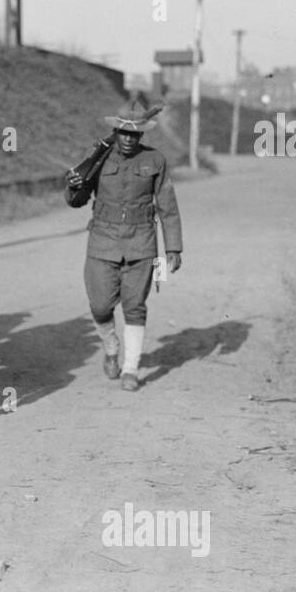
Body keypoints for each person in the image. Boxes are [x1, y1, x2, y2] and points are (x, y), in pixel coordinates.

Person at [64, 95, 183, 391]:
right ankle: (111, 344)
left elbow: (167, 205)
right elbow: (76, 201)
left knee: (135, 306)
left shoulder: (155, 160)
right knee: (100, 306)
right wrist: (73, 186)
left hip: (142, 243)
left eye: (135, 133)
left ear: (141, 134)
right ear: (116, 132)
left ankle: (131, 369)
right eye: (124, 132)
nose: (129, 139)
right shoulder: (99, 158)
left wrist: (173, 248)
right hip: (102, 241)